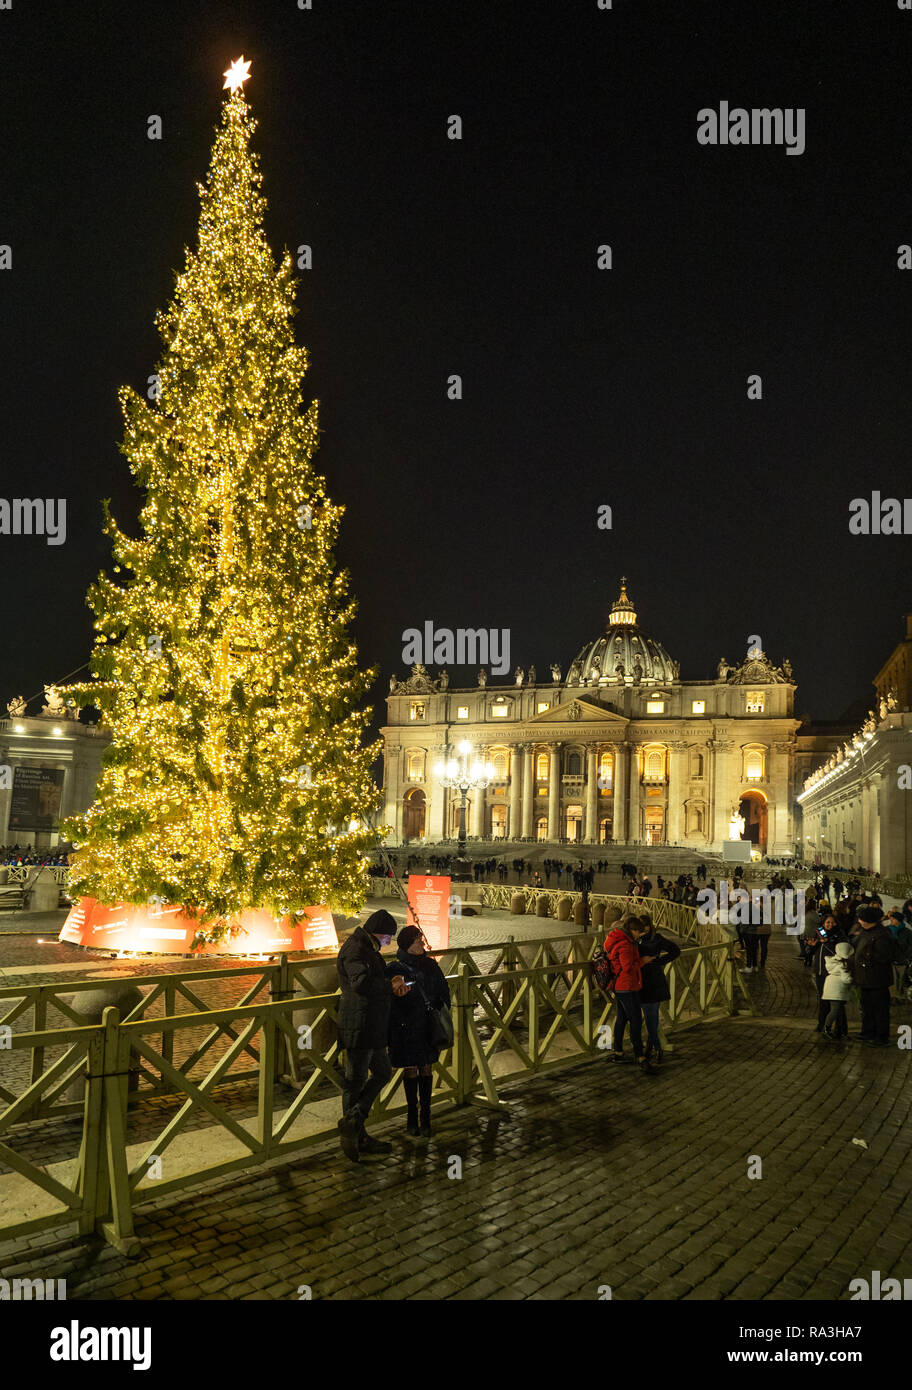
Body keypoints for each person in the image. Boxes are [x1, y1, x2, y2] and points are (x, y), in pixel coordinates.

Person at [336, 909, 405, 1162]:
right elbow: (360, 983)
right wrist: (389, 986)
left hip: (372, 1026)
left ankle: (354, 1121)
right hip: (359, 1024)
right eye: (388, 937)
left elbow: (374, 977)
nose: (388, 942)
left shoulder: (368, 948)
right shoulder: (356, 949)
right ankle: (354, 1133)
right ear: (378, 933)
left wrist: (392, 978)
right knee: (355, 1080)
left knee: (383, 1072)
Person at [387, 924, 451, 1139]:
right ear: (407, 945)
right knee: (410, 1070)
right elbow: (390, 996)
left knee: (426, 1069)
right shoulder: (395, 968)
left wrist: (439, 1006)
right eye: (417, 941)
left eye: (421, 940)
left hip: (427, 1027)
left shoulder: (430, 966)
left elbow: (444, 990)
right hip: (406, 1028)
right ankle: (411, 1117)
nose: (421, 944)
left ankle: (426, 1117)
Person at [605, 914, 654, 1073]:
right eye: (639, 932)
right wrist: (643, 961)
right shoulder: (626, 945)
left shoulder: (622, 940)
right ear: (632, 930)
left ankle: (618, 1051)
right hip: (626, 986)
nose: (641, 935)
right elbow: (627, 967)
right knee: (636, 1020)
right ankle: (639, 1056)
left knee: (622, 1018)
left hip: (622, 986)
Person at [636, 914, 680, 1065]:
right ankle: (654, 1048)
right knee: (647, 1019)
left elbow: (675, 950)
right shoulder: (635, 939)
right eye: (640, 927)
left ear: (650, 926)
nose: (643, 929)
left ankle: (653, 1049)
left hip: (654, 980)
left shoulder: (657, 938)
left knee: (652, 1018)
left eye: (645, 926)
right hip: (639, 981)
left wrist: (660, 961)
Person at [853, 905, 894, 1046]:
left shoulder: (882, 935)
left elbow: (884, 956)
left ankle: (881, 1036)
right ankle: (868, 1031)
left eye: (861, 918)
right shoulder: (865, 932)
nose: (859, 921)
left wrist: (866, 957)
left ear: (868, 920)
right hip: (865, 979)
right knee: (867, 1008)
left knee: (880, 1010)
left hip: (877, 979)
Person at [822, 941, 853, 1041]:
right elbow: (846, 979)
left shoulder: (834, 962)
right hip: (837, 992)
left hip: (831, 990)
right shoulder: (842, 966)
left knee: (836, 1010)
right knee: (835, 1011)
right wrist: (853, 979)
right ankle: (827, 1028)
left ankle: (837, 1030)